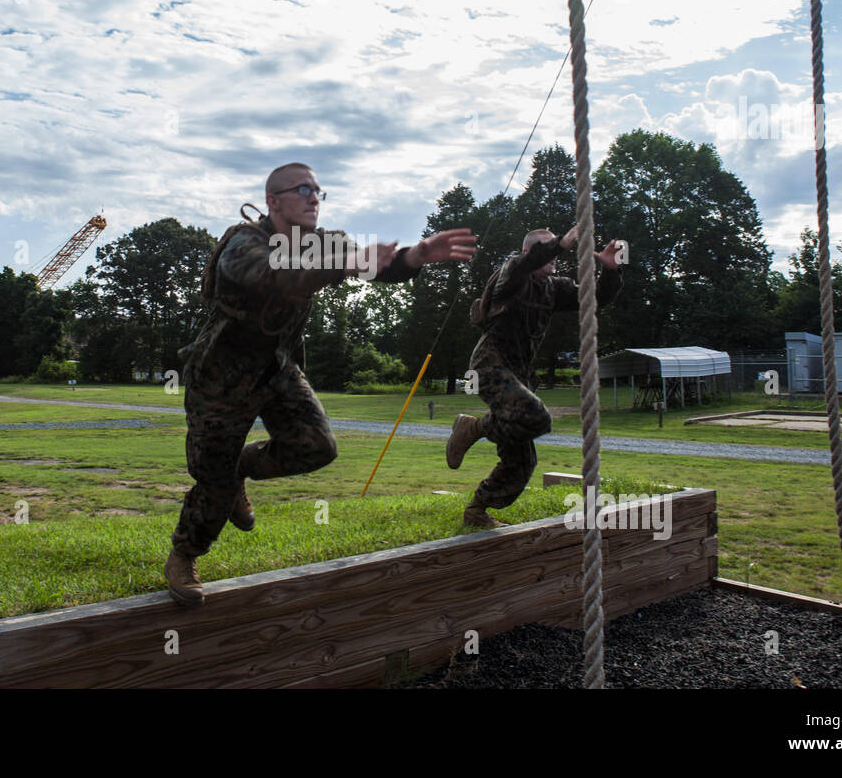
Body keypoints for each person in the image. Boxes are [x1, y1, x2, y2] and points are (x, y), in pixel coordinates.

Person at [166, 162, 477, 606]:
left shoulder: (327, 241)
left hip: (278, 370)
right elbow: (278, 275)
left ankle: (241, 468)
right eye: (303, 189)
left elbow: (377, 267)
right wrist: (346, 263)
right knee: (211, 485)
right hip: (221, 376)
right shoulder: (242, 242)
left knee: (315, 446)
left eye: (318, 191)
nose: (314, 197)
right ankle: (185, 554)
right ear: (273, 201)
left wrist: (416, 256)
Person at [445, 225, 623, 528]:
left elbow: (592, 299)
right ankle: (474, 428)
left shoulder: (553, 288)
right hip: (489, 366)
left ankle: (476, 511)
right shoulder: (511, 277)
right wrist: (562, 243)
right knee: (537, 417)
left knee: (522, 462)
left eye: (554, 250)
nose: (554, 256)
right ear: (529, 251)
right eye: (547, 249)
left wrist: (609, 271)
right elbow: (522, 265)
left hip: (519, 375)